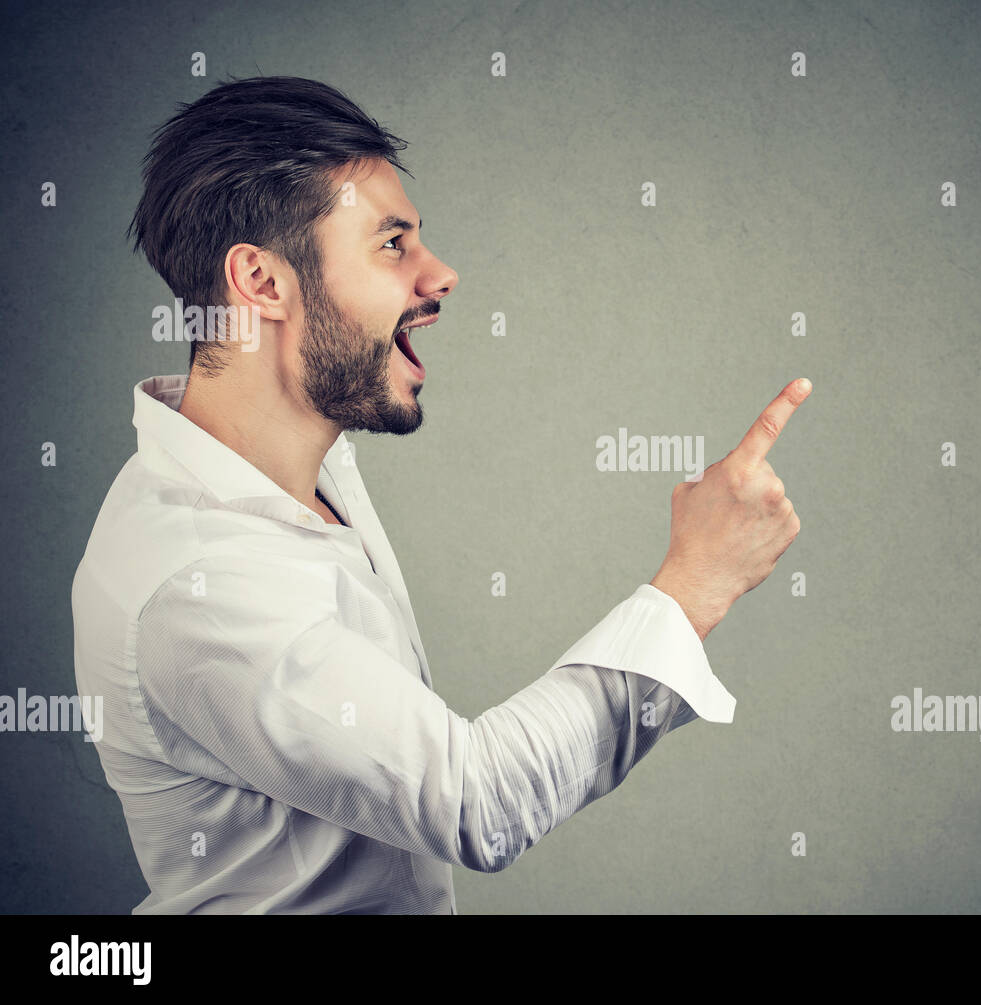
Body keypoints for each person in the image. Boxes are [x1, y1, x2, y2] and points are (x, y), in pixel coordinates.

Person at [71, 75, 809, 913]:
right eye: (392, 245)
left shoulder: (301, 464)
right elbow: (476, 800)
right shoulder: (197, 581)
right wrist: (696, 582)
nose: (442, 273)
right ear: (263, 283)